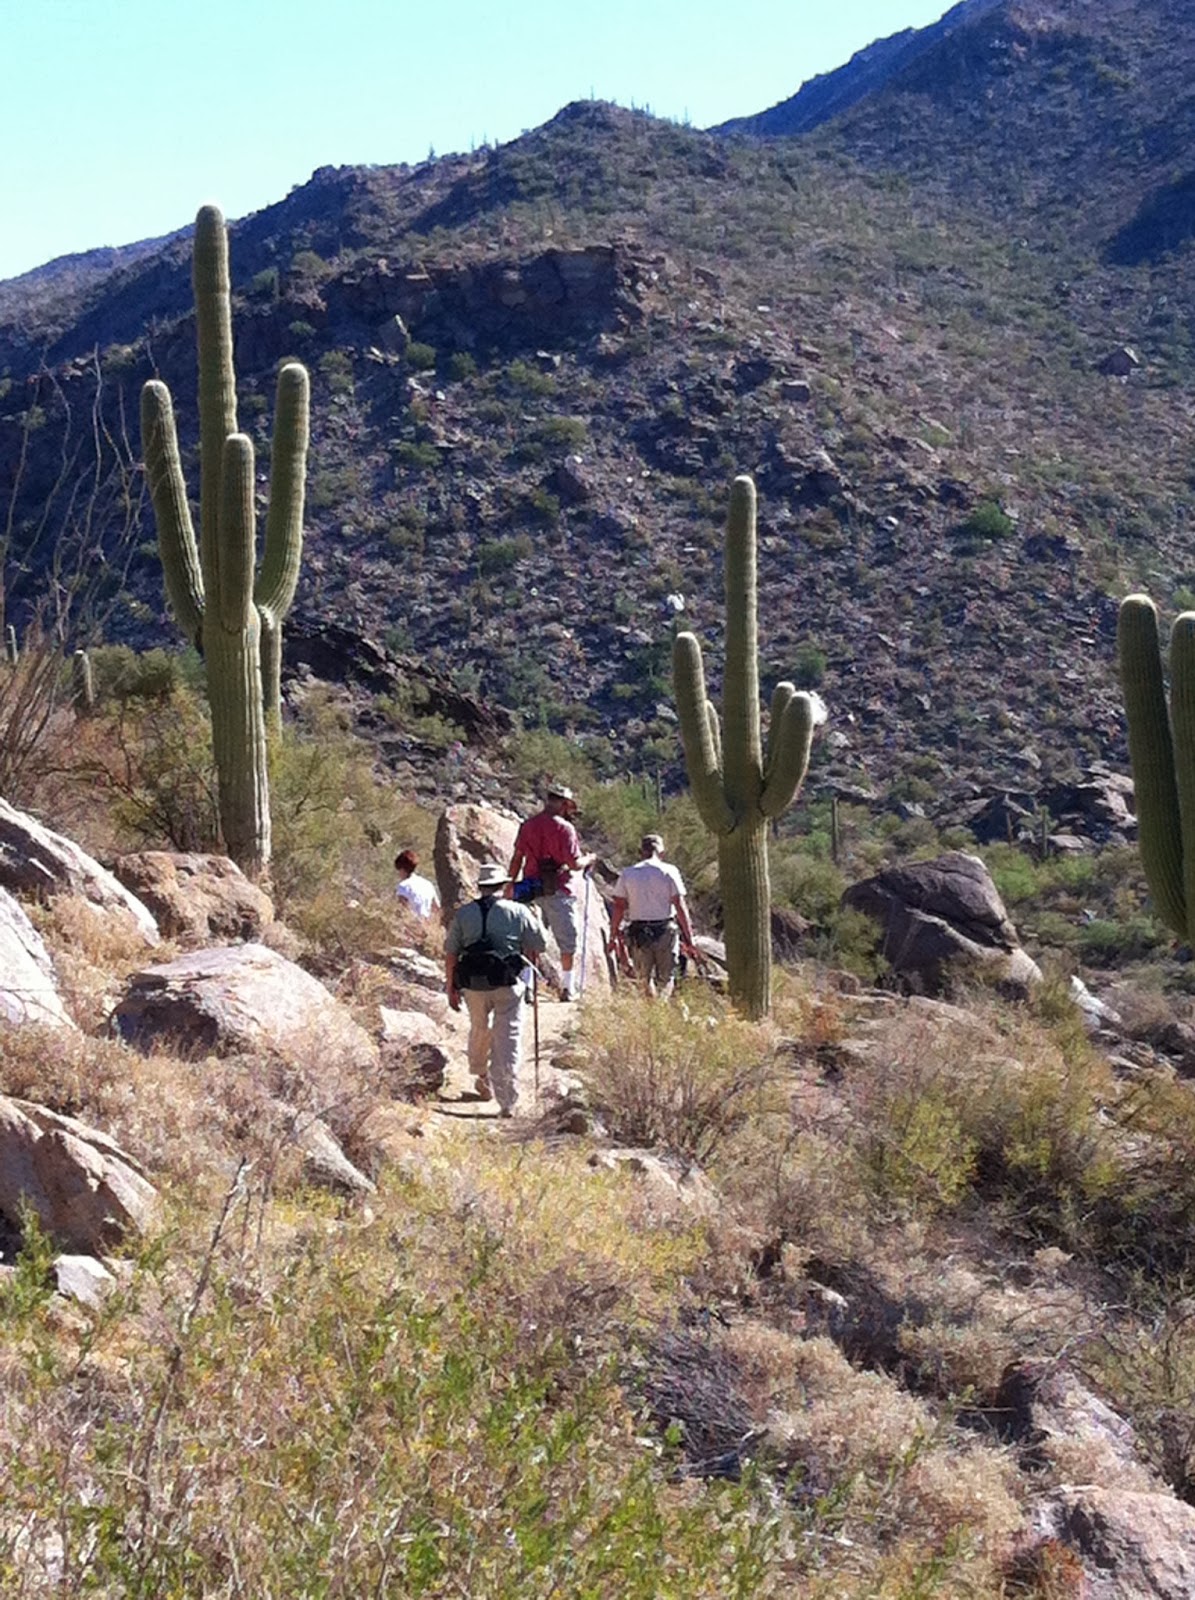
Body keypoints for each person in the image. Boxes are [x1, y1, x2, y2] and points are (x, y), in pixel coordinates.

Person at [445, 862, 547, 1116]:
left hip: (472, 984)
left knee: (479, 1027)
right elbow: (540, 944)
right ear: (504, 885)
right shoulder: (519, 911)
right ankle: (507, 1101)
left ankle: (481, 1074)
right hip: (507, 983)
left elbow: (451, 953)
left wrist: (451, 987)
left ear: (481, 887)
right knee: (508, 1037)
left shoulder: (464, 913)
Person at [507, 783, 593, 1001]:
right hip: (559, 890)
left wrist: (510, 884)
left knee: (529, 940)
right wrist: (590, 859)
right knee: (567, 941)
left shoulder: (528, 825)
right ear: (564, 804)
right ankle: (567, 987)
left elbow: (517, 857)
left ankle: (526, 987)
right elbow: (574, 864)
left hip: (530, 888)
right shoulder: (565, 829)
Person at [609, 834, 698, 999]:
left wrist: (612, 935)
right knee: (667, 977)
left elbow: (619, 907)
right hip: (665, 930)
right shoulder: (669, 871)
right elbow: (679, 905)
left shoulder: (628, 873)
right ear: (661, 852)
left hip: (638, 932)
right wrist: (690, 939)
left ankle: (651, 1007)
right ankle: (660, 1007)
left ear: (641, 851)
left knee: (644, 977)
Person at [394, 849, 440, 920]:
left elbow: (402, 911)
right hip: (427, 925)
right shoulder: (428, 884)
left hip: (412, 926)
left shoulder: (403, 886)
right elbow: (437, 908)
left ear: (402, 869)